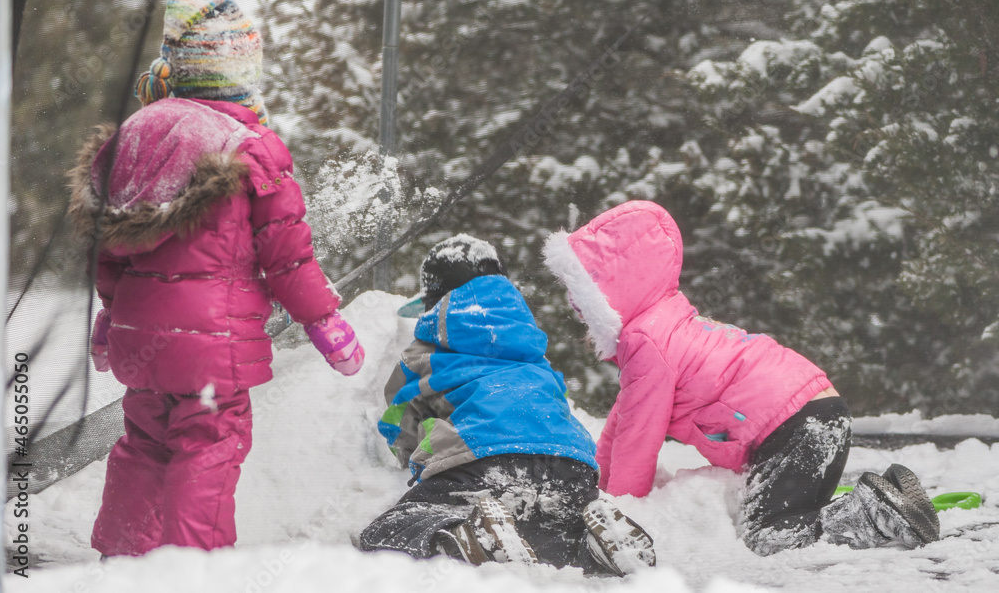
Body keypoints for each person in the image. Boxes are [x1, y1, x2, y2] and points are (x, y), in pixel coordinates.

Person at [69, 0, 365, 557]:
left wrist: (111, 315)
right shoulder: (251, 149)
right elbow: (288, 258)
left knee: (145, 442)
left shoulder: (131, 139)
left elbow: (109, 248)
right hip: (214, 346)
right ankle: (195, 569)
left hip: (143, 342)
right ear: (240, 76)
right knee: (210, 444)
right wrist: (324, 322)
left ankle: (123, 559)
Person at [542, 200, 940, 555]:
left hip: (792, 426)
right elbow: (624, 417)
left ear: (613, 287)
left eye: (581, 288)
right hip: (815, 412)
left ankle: (877, 511)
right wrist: (594, 479)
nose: (574, 302)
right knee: (797, 513)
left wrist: (621, 507)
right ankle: (886, 497)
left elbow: (637, 437)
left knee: (770, 535)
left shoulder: (647, 341)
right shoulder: (665, 325)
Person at [358, 235, 655, 576]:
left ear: (434, 297)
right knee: (550, 536)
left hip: (478, 461)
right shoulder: (529, 346)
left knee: (389, 530)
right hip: (570, 462)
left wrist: (406, 452)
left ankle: (470, 533)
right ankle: (596, 542)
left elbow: (399, 415)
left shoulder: (423, 351)